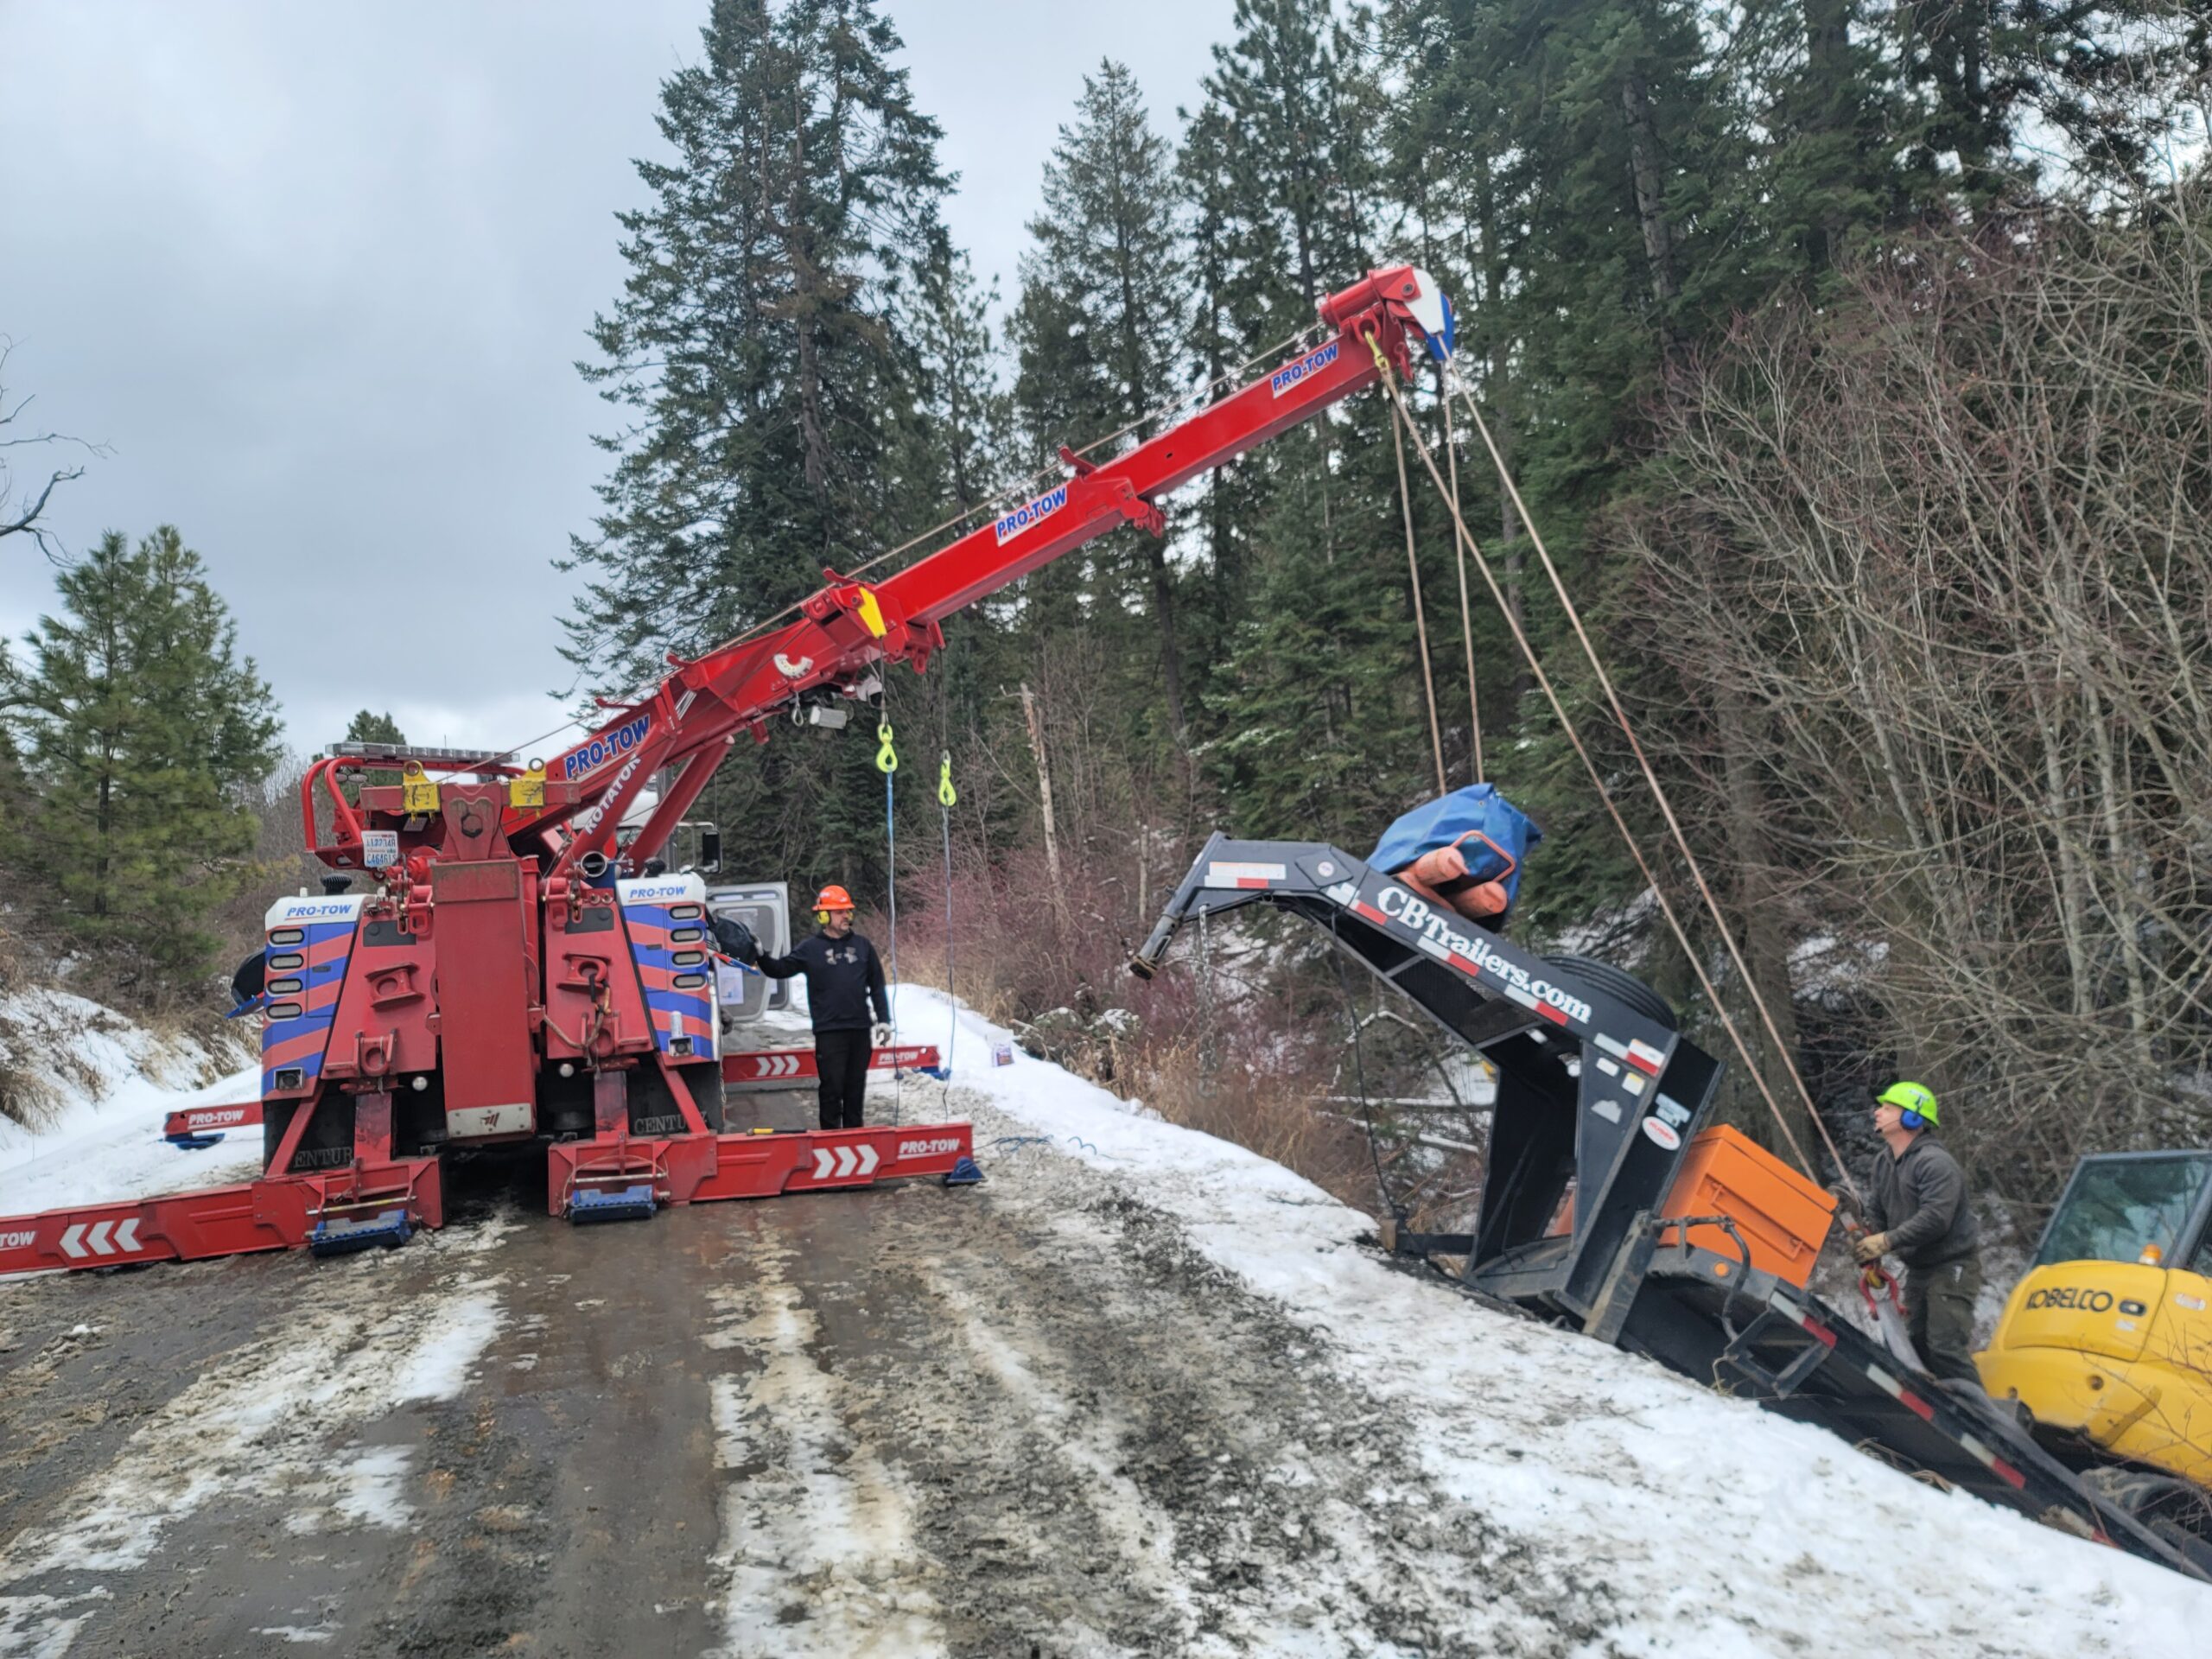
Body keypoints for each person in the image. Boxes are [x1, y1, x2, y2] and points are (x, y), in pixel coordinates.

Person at [1853, 1080, 1984, 1384]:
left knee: (1946, 1349)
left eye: (1888, 1108)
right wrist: (1866, 1237)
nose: (1878, 1112)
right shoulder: (1884, 1163)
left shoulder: (1935, 1163)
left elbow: (1936, 1218)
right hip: (1920, 1269)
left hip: (1953, 1267)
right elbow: (1878, 1214)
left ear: (1913, 1118)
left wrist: (1886, 1241)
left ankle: (1986, 1423)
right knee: (1915, 1349)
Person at [738, 885, 892, 1131]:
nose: (846, 917)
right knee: (832, 1090)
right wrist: (760, 955)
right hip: (830, 1032)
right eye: (839, 912)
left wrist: (884, 1019)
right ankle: (830, 1142)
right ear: (824, 916)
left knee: (855, 1090)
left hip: (859, 1031)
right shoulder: (810, 949)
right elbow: (780, 969)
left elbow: (877, 985)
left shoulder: (864, 947)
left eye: (847, 912)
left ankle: (855, 1140)